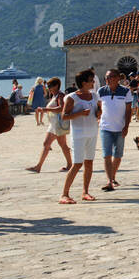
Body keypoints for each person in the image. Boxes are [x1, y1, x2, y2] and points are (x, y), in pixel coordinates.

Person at [59, 68, 101, 204]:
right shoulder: (72, 98)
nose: (93, 82)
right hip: (78, 134)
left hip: (92, 132)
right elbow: (64, 116)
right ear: (83, 82)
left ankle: (85, 192)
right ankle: (64, 194)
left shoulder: (94, 96)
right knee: (77, 164)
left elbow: (96, 113)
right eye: (91, 80)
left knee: (89, 163)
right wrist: (80, 113)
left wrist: (99, 112)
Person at [97, 69, 132, 192]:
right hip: (105, 127)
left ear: (118, 78)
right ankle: (109, 181)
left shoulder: (126, 91)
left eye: (111, 77)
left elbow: (128, 111)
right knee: (107, 155)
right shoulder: (101, 91)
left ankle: (112, 177)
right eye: (106, 77)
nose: (108, 79)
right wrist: (97, 117)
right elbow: (98, 107)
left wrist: (126, 126)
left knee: (117, 155)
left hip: (120, 128)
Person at [26, 78, 72, 174]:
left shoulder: (60, 95)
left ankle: (38, 167)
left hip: (57, 124)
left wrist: (45, 109)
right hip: (54, 124)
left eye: (50, 86)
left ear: (56, 86)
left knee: (47, 144)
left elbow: (61, 108)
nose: (48, 88)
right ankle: (70, 165)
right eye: (48, 86)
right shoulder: (54, 95)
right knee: (62, 145)